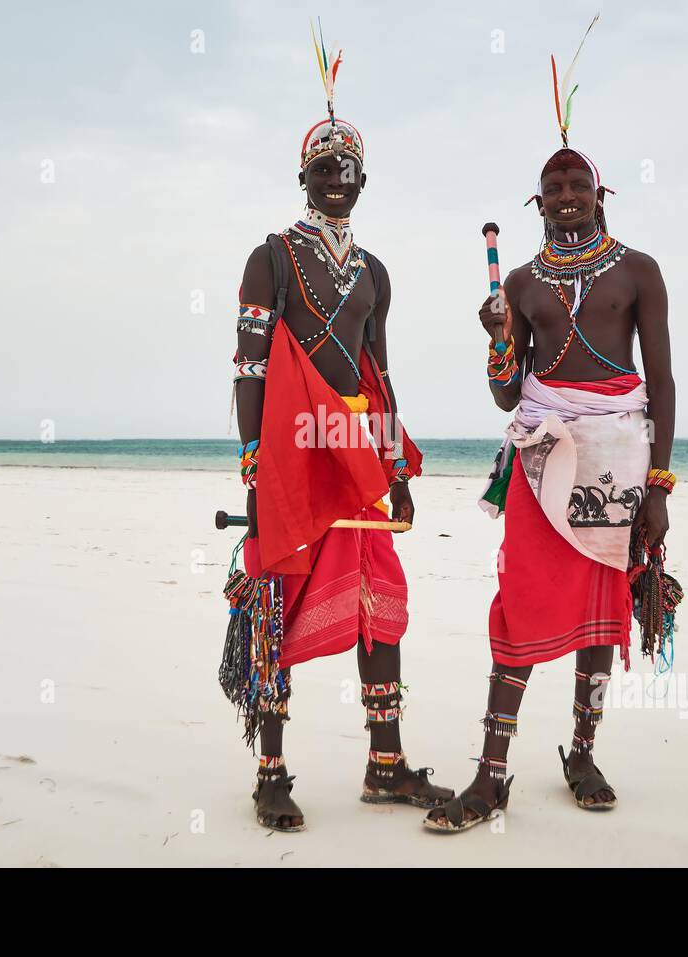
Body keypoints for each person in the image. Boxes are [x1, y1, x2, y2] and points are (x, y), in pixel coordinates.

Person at [426, 27, 677, 832]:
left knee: (602, 609)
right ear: (537, 203)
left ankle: (581, 750)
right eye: (553, 184)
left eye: (578, 181)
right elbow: (508, 396)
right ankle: (492, 773)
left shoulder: (638, 269)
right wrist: (498, 335)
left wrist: (660, 487)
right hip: (539, 457)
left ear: (601, 194)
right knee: (523, 598)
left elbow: (663, 379)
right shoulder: (525, 281)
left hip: (617, 457)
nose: (567, 193)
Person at [225, 29, 453, 833]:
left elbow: (378, 376)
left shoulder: (375, 273)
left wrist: (393, 466)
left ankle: (384, 763)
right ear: (303, 176)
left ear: (364, 179)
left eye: (349, 167)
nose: (338, 179)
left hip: (354, 456)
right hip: (291, 455)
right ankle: (272, 770)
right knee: (278, 601)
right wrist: (253, 465)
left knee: (378, 605)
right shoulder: (271, 257)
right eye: (324, 167)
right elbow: (250, 369)